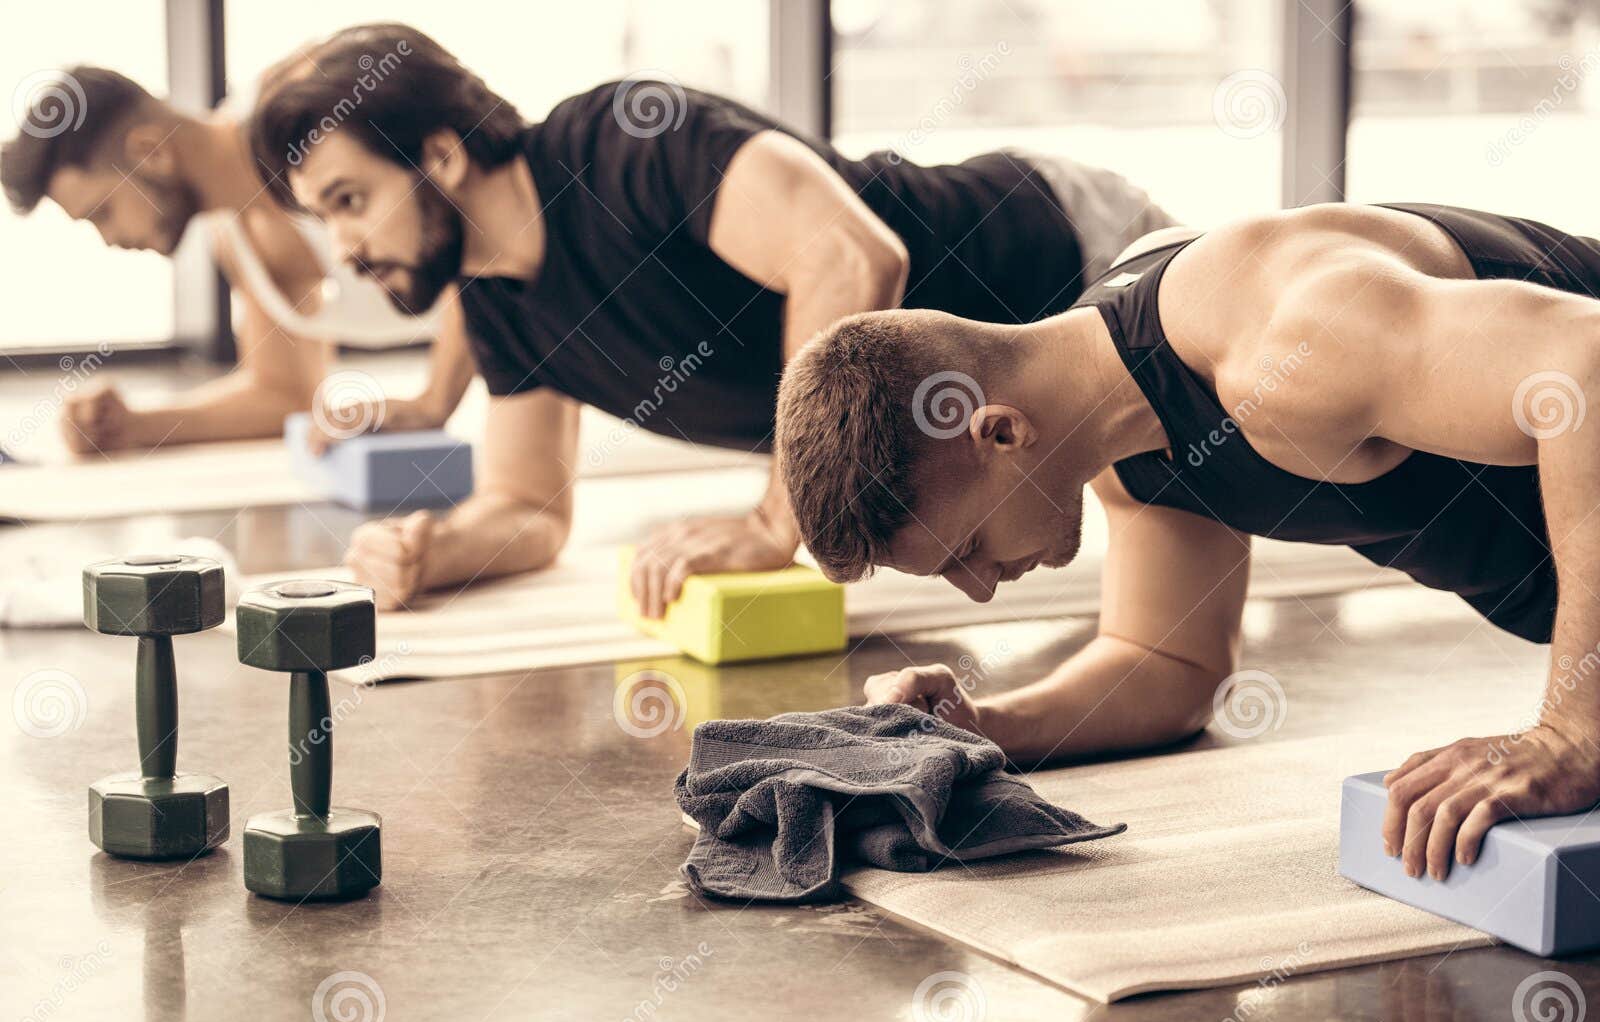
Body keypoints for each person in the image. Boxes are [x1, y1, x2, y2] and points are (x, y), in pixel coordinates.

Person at [775, 199, 1600, 881]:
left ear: (998, 434)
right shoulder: (1119, 429)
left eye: (964, 552)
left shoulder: (1286, 342)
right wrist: (984, 726)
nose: (981, 589)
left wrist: (1572, 730)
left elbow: (1585, 369)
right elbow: (1168, 666)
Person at [245, 23, 1174, 613]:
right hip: (999, 412)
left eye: (349, 201)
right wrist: (432, 550)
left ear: (439, 156)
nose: (345, 246)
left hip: (1072, 256)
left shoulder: (621, 141)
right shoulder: (495, 306)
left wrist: (779, 521)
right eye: (323, 219)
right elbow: (530, 508)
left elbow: (851, 255)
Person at [0, 66, 474, 455]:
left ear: (150, 153)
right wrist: (134, 426)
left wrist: (435, 400)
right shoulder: (232, 238)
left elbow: (479, 216)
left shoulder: (303, 101)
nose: (109, 239)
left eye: (102, 212)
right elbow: (284, 392)